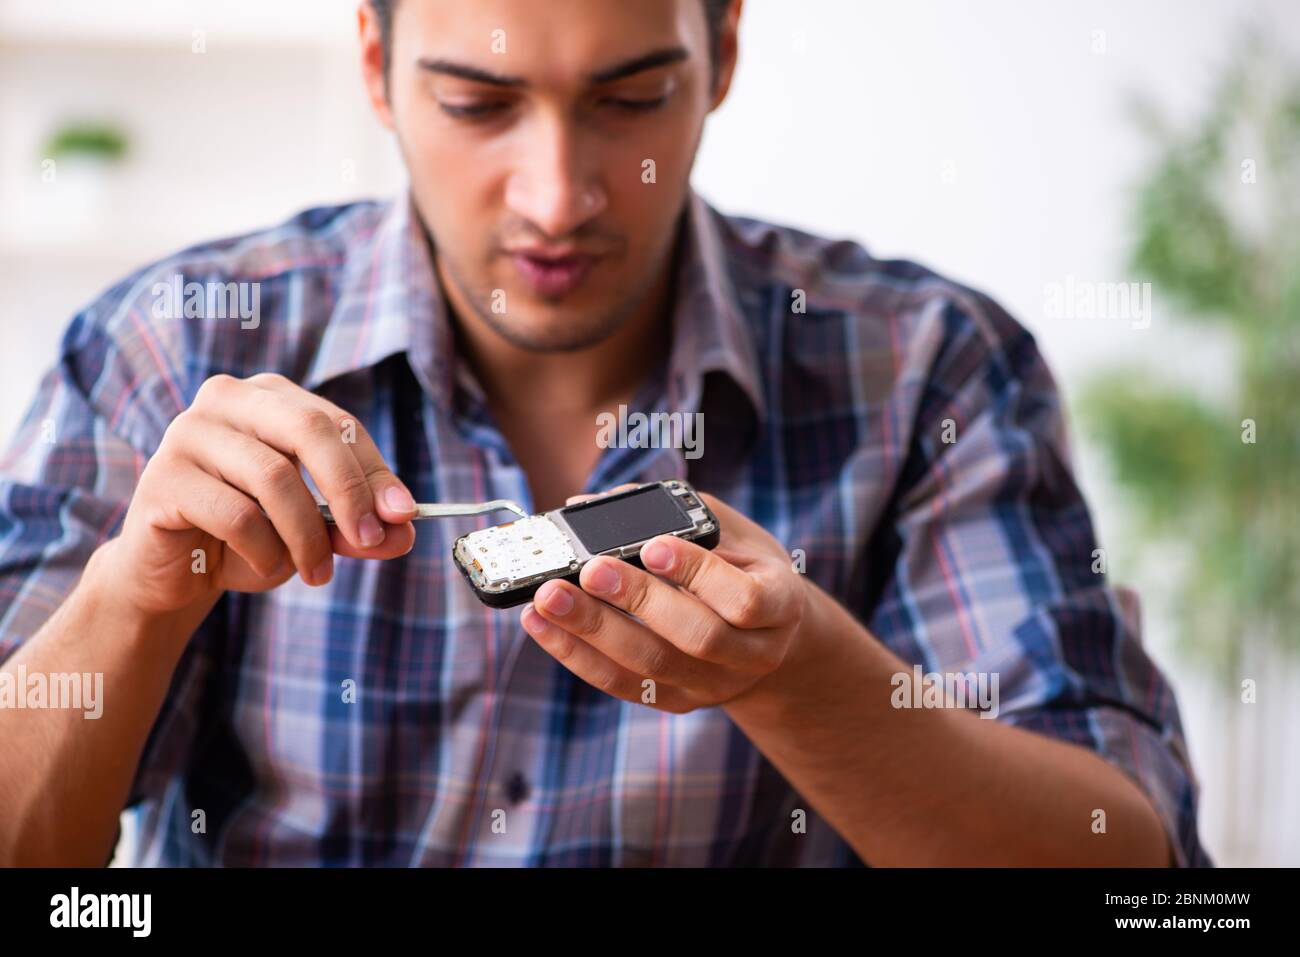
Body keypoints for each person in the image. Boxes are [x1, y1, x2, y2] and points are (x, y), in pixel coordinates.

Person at [0, 0, 1209, 866]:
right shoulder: (166, 347)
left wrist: (801, 676)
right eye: (477, 103)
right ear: (375, 64)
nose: (557, 196)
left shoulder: (930, 370)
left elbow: (1130, 861)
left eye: (630, 98)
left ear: (722, 50)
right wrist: (132, 603)